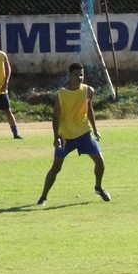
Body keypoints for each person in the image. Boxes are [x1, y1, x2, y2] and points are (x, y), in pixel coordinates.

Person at [37, 63, 109, 206]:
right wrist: (56, 137)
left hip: (84, 133)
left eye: (81, 74)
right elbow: (56, 116)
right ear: (70, 75)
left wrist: (95, 130)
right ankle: (43, 196)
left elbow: (89, 110)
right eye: (76, 75)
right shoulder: (61, 94)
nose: (79, 77)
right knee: (56, 168)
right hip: (66, 137)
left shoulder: (88, 91)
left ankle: (98, 187)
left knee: (100, 162)